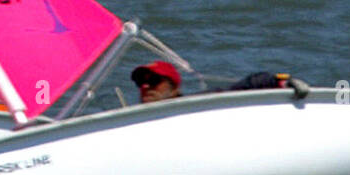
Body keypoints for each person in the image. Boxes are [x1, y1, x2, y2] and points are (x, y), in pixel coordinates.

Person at [130, 61, 311, 104]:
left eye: (154, 81)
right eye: (140, 82)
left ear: (175, 87)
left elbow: (250, 84)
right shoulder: (128, 119)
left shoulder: (196, 104)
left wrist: (282, 83)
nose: (145, 86)